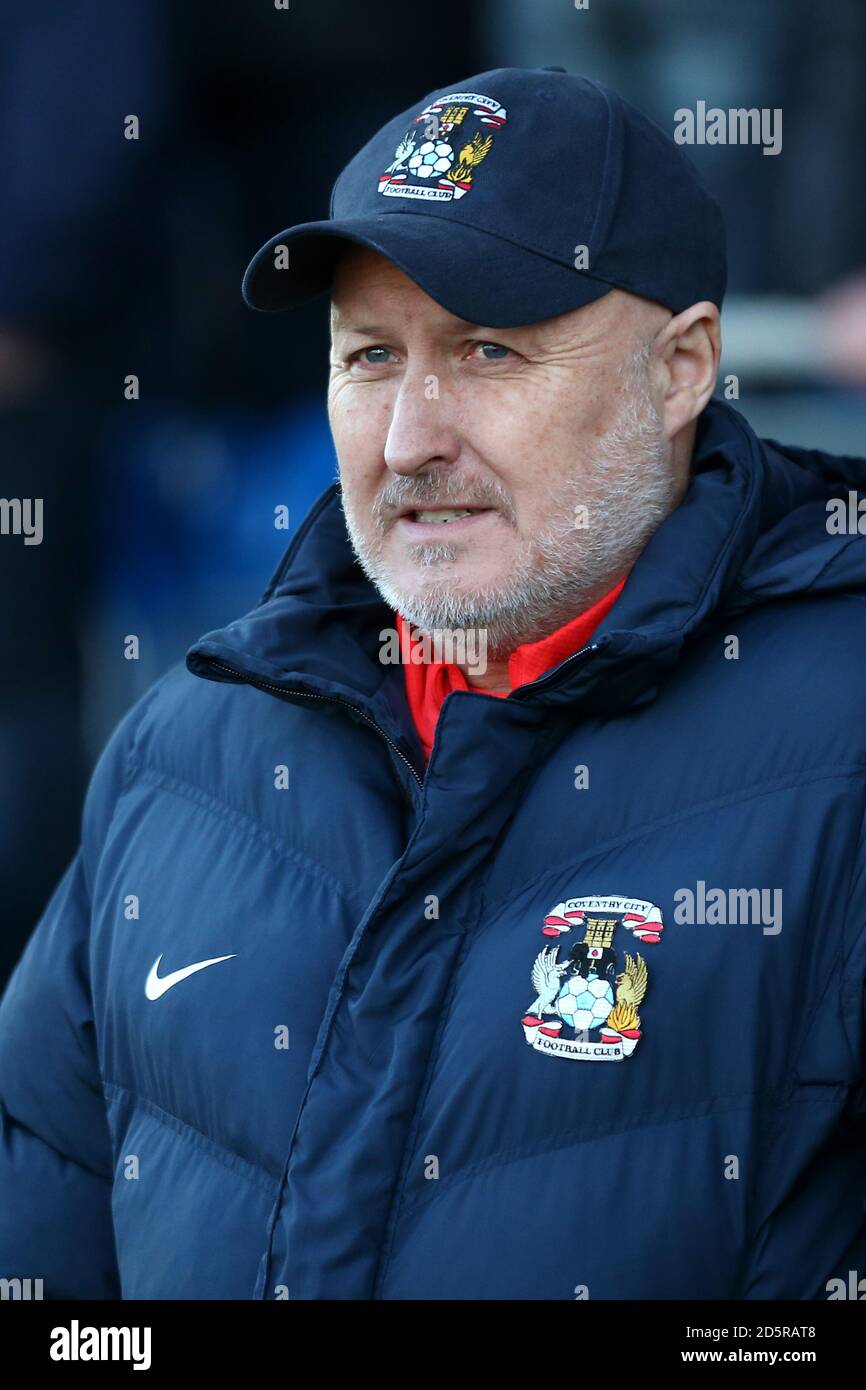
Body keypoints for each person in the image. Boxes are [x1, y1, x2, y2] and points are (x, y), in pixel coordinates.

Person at [1, 65, 865, 1301]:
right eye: (367, 357)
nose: (410, 438)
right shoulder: (183, 753)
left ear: (680, 370)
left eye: (488, 349)